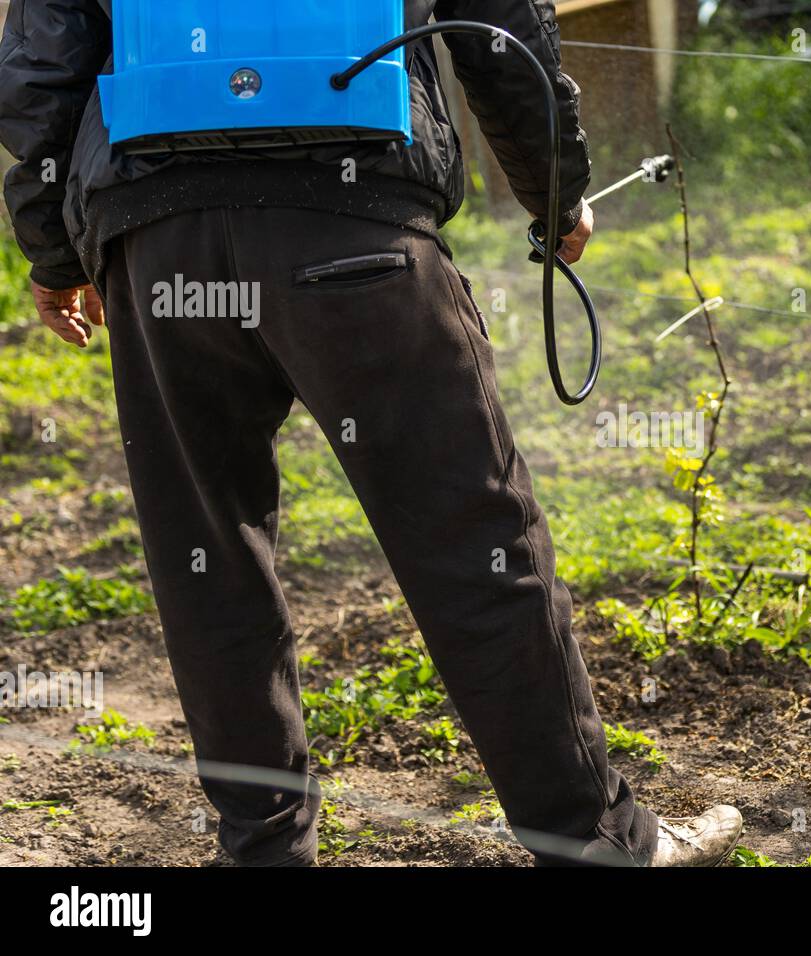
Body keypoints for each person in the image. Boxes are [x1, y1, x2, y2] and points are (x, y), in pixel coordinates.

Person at [0, 0, 741, 867]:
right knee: (476, 543)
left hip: (159, 242)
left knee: (208, 560)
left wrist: (53, 248)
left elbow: (43, 62)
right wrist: (554, 187)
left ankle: (266, 854)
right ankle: (594, 843)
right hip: (357, 219)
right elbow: (501, 22)